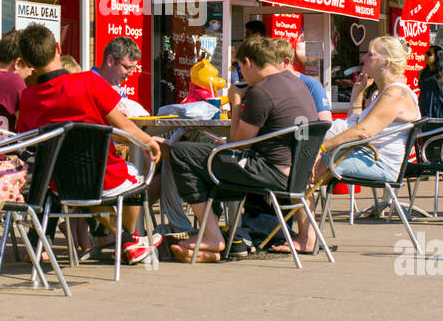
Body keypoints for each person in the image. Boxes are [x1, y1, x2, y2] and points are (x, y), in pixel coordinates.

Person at [16, 23, 164, 264]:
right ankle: (130, 239)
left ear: (27, 62)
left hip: (59, 184)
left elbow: (29, 140)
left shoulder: (28, 97)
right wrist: (149, 142)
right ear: (57, 48)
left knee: (87, 185)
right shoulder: (88, 82)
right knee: (135, 175)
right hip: (105, 176)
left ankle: (127, 241)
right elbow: (124, 126)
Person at [166, 35, 316, 262]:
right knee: (205, 157)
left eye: (239, 67)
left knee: (181, 153)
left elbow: (238, 142)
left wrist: (235, 101)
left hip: (270, 173)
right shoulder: (297, 84)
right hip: (297, 173)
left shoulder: (262, 91)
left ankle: (211, 235)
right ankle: (224, 235)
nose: (240, 74)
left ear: (248, 62)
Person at [303, 36, 420, 243]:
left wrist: (321, 148)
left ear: (387, 63)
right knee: (301, 164)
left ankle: (304, 236)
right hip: (366, 156)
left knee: (300, 170)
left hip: (380, 163)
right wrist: (358, 93)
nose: (364, 57)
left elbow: (362, 131)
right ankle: (303, 233)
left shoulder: (396, 95)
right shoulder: (383, 93)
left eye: (370, 54)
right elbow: (355, 123)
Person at [272, 38, 333, 122]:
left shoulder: (311, 84)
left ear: (286, 62)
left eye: (270, 63)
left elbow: (325, 121)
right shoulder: (268, 85)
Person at [92, 36, 150, 117]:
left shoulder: (117, 89)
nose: (130, 74)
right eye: (128, 68)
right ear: (110, 60)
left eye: (134, 68)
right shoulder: (88, 85)